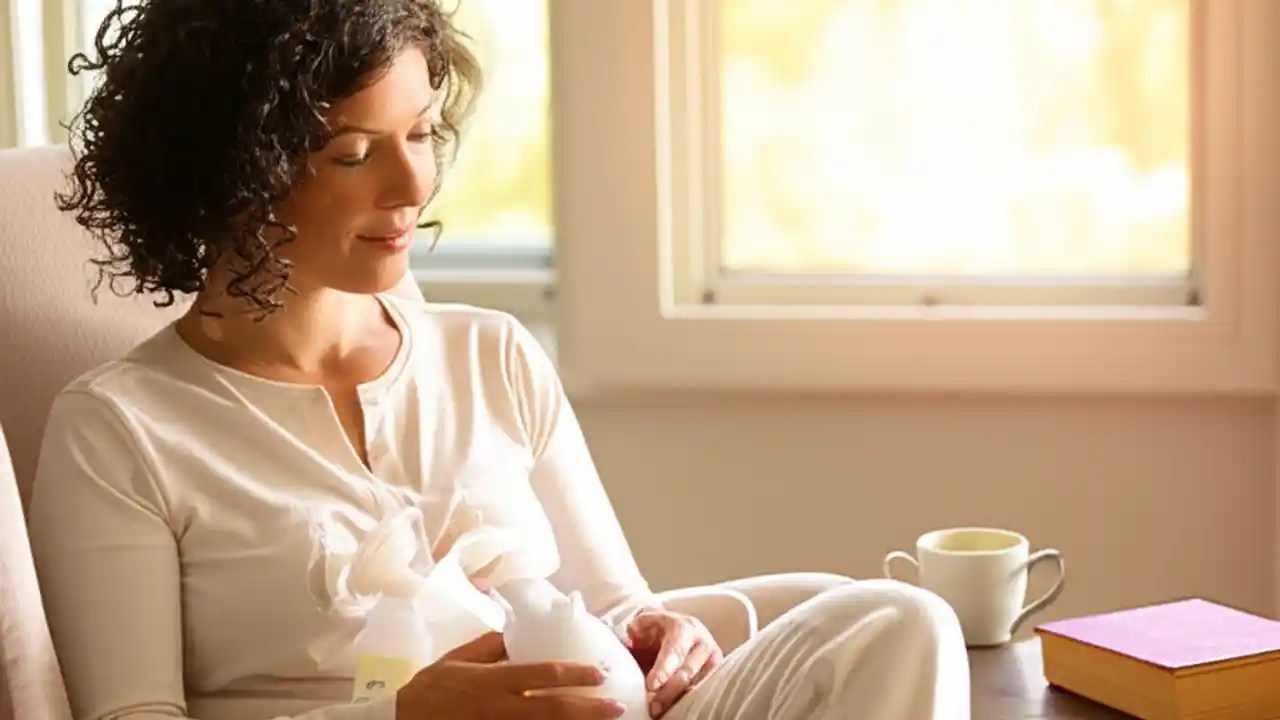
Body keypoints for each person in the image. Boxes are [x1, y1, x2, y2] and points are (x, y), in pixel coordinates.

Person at [28, 1, 971, 719]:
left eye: (422, 133)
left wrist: (664, 636)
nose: (413, 185)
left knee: (900, 619)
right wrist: (396, 715)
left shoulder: (492, 355)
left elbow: (619, 611)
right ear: (231, 172)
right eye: (355, 153)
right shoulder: (123, 430)